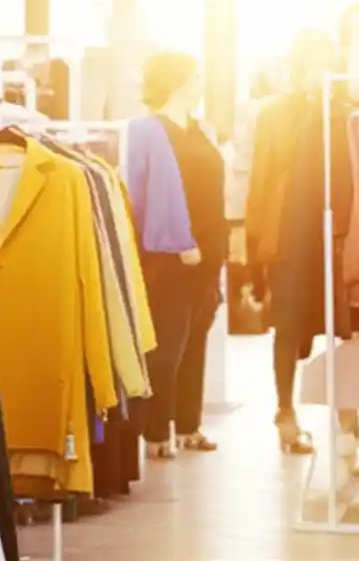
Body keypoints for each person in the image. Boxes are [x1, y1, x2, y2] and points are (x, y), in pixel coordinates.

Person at [124, 52, 228, 458]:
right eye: (195, 75)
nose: (200, 82)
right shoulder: (146, 130)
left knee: (198, 336)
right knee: (167, 344)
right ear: (177, 81)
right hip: (168, 252)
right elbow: (139, 193)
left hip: (208, 247)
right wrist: (177, 241)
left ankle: (189, 425)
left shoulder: (203, 129)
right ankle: (156, 430)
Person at [245, 29, 342, 455]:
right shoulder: (276, 114)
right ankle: (285, 410)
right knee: (286, 325)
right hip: (287, 230)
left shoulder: (341, 113)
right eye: (313, 64)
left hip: (332, 230)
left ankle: (346, 414)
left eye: (326, 64)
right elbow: (261, 179)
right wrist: (252, 254)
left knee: (339, 326)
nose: (319, 73)